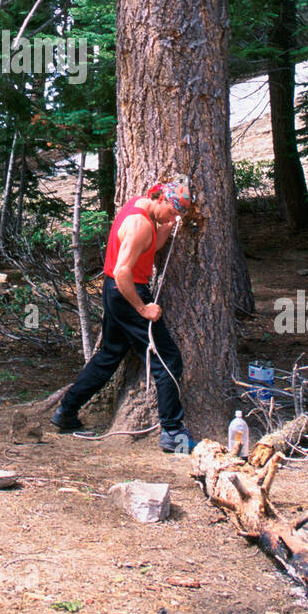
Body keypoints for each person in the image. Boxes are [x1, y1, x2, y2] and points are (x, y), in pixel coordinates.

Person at [50, 180, 197, 452]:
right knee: (168, 360)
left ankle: (66, 410)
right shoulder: (140, 223)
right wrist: (143, 308)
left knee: (109, 355)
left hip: (116, 293)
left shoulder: (142, 207)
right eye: (173, 212)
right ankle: (173, 434)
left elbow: (148, 247)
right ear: (160, 199)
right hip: (126, 292)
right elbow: (122, 273)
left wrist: (167, 227)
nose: (173, 218)